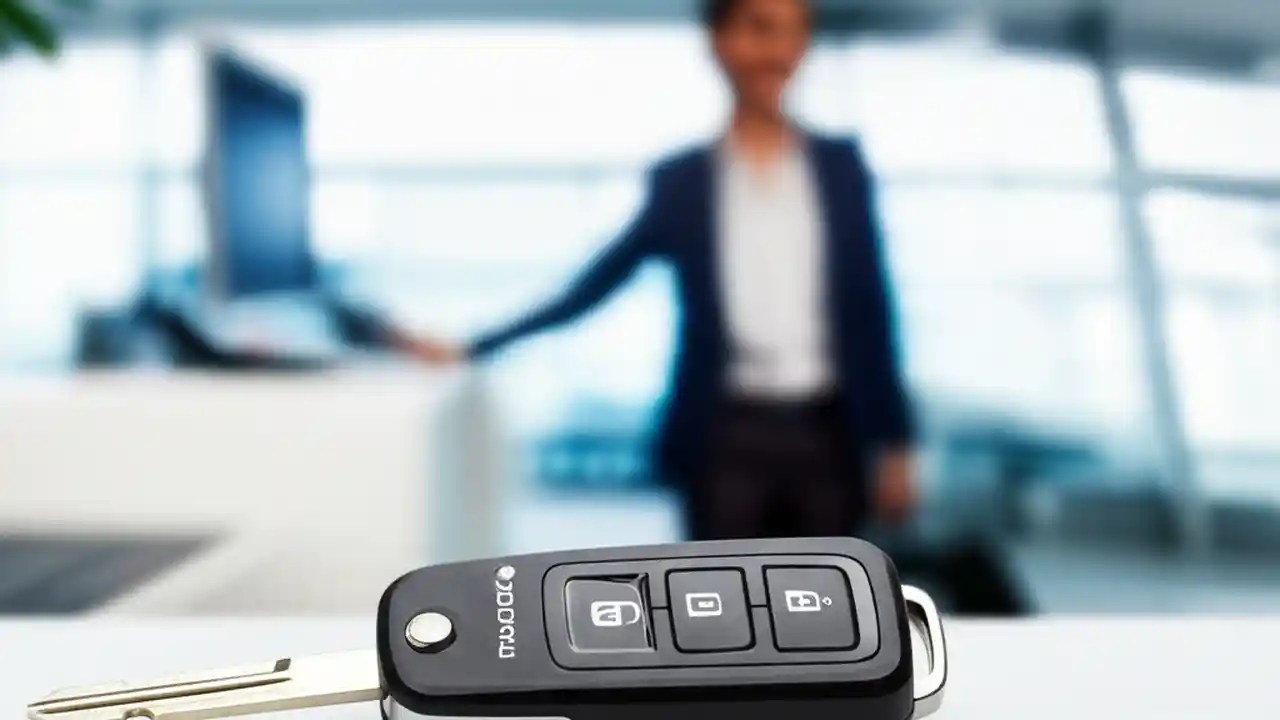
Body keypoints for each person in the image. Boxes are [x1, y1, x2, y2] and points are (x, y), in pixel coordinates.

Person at [398, 0, 917, 541]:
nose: (781, 52)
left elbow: (873, 308)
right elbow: (593, 287)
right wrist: (472, 347)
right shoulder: (682, 182)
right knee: (719, 607)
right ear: (719, 41)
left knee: (833, 609)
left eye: (795, 34)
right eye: (761, 30)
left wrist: (898, 443)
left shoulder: (842, 168)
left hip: (830, 435)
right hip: (724, 435)